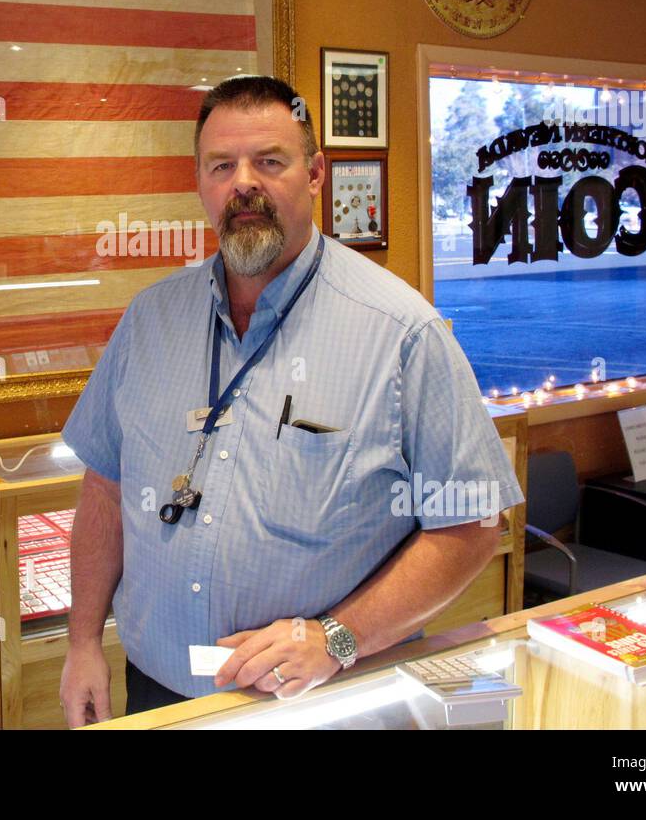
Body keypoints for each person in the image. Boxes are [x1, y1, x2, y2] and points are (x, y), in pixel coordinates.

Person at [59, 75, 523, 726]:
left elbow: (471, 526)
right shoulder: (150, 320)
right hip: (159, 696)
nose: (243, 182)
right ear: (200, 183)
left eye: (269, 161)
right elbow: (105, 489)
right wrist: (83, 641)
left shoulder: (402, 334)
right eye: (222, 165)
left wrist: (339, 636)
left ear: (315, 174)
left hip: (321, 706)